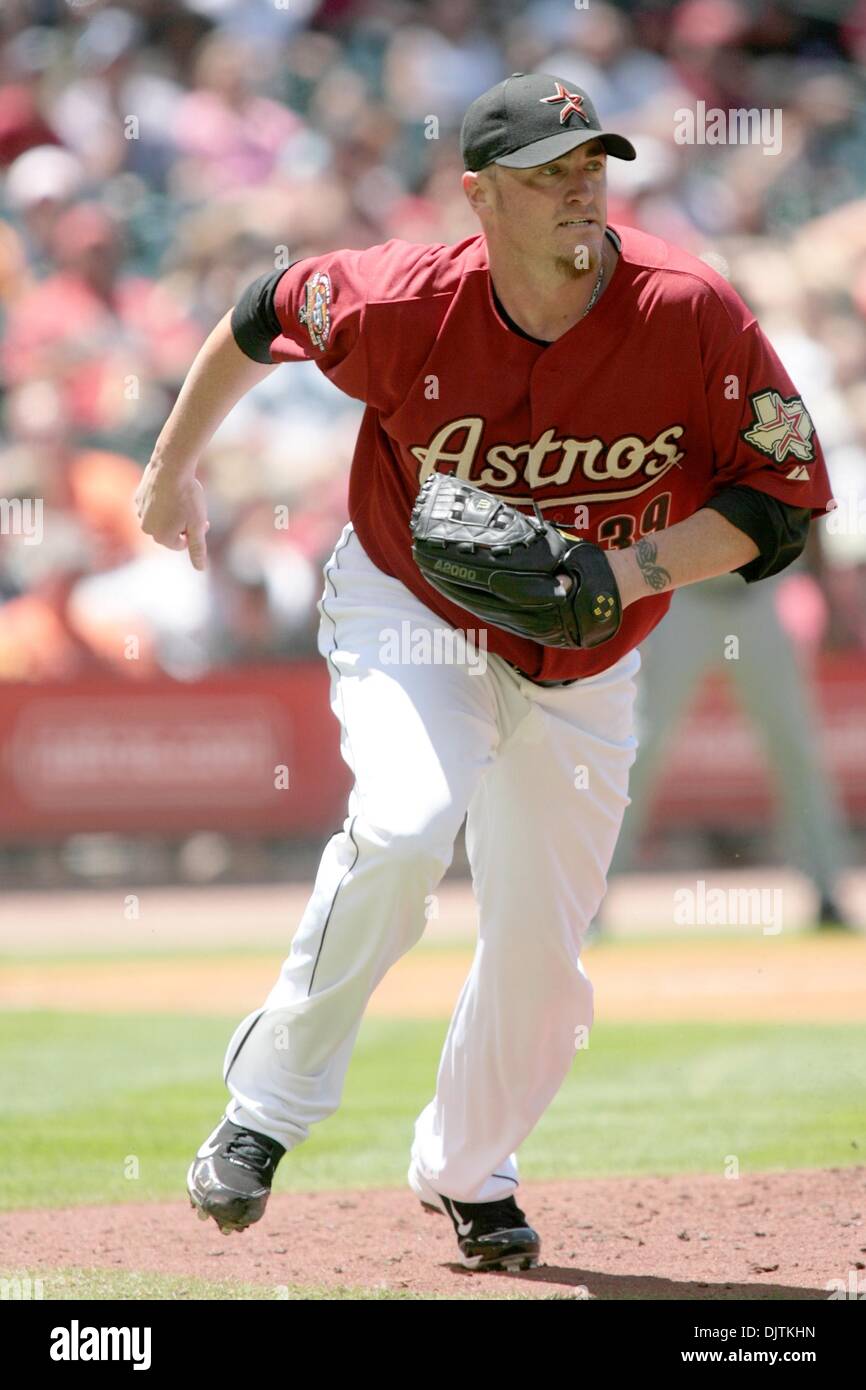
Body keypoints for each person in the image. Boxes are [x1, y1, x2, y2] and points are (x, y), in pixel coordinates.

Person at [135, 74, 833, 1274]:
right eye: (545, 172)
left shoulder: (688, 309)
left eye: (589, 167)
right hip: (411, 604)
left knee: (539, 954)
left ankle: (468, 1169)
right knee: (407, 823)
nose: (577, 191)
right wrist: (168, 472)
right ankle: (264, 1112)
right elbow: (258, 312)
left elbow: (778, 507)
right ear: (478, 196)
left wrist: (627, 567)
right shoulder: (402, 298)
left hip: (589, 655)